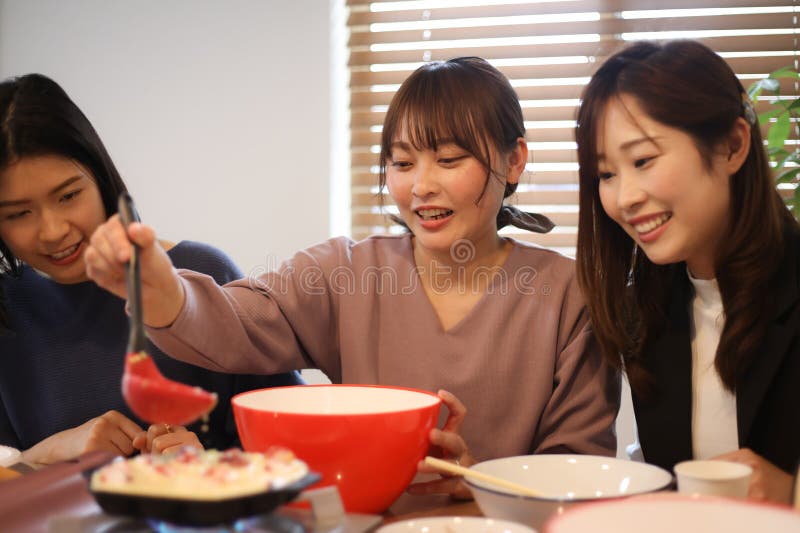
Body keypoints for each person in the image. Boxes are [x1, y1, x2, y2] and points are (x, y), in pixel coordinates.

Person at [85, 57, 619, 501]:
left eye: (450, 159)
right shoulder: (348, 273)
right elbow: (234, 322)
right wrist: (164, 289)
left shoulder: (569, 295)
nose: (421, 186)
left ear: (515, 159)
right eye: (402, 163)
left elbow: (579, 466)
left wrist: (487, 484)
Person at [0, 73, 303, 467]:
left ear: (101, 178)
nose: (53, 231)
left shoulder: (200, 275)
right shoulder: (8, 309)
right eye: (19, 213)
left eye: (69, 195)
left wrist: (210, 463)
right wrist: (49, 454)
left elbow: (294, 446)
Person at [574, 40, 799, 504]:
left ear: (732, 146)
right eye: (606, 174)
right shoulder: (646, 310)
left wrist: (791, 492)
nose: (624, 198)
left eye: (642, 161)